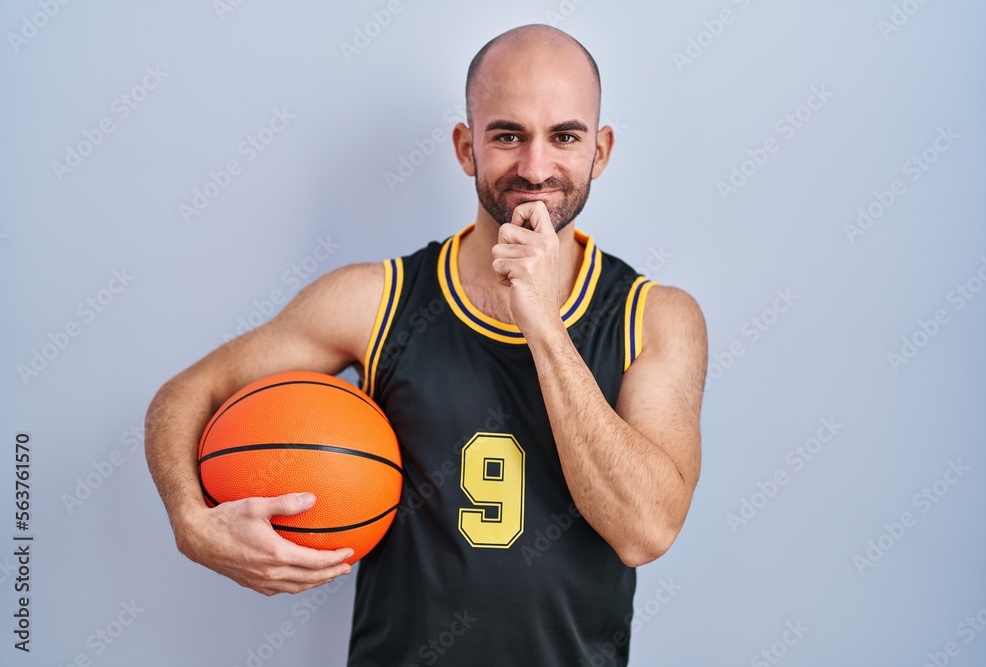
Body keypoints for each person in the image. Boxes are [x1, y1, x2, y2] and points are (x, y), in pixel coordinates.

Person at [144, 23, 706, 666]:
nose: (535, 167)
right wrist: (192, 522)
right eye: (507, 135)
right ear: (466, 148)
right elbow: (187, 392)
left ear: (600, 152)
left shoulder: (654, 318)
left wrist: (544, 325)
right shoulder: (377, 301)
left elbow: (645, 531)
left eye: (565, 136)